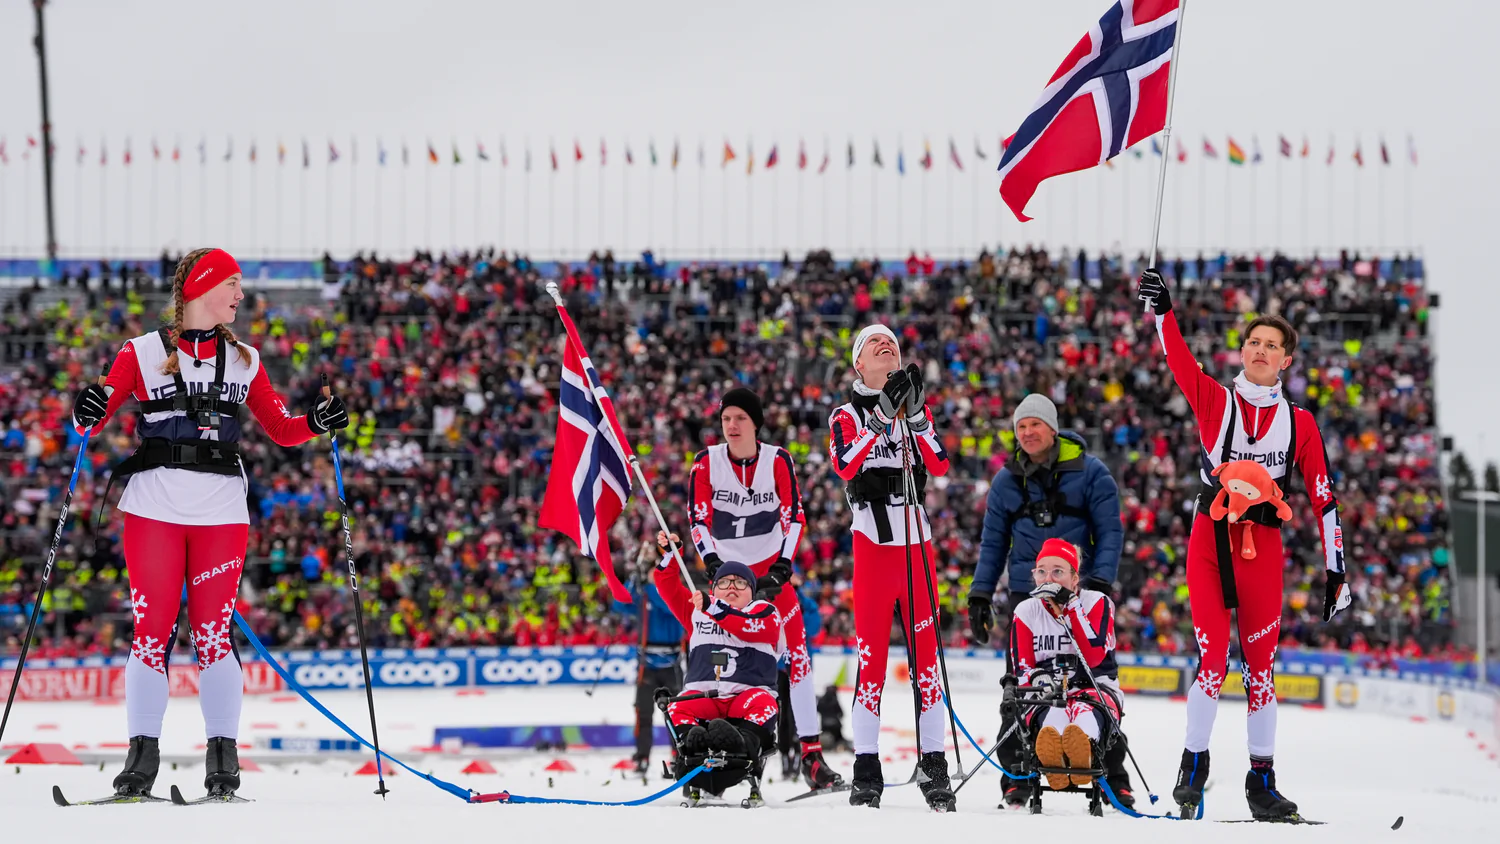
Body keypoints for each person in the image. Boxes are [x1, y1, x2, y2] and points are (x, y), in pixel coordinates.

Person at [68, 248, 348, 799]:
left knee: (212, 635)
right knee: (152, 633)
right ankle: (139, 764)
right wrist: (86, 406)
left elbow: (282, 428)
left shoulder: (246, 359)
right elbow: (92, 419)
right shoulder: (142, 352)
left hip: (221, 512)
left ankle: (223, 765)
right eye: (233, 285)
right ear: (202, 286)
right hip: (153, 510)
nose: (241, 296)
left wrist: (316, 422)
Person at [1138, 268, 1351, 820]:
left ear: (1286, 361)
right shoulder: (1215, 401)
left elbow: (1324, 498)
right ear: (1241, 352)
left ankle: (1262, 782)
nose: (1260, 350)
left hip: (1264, 549)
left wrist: (1336, 571)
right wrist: (1164, 312)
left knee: (1261, 669)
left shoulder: (1300, 424)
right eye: (1253, 342)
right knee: (1212, 660)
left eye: (1271, 345)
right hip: (1210, 543)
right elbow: (1180, 362)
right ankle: (1193, 767)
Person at [966, 393, 1130, 806]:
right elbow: (992, 543)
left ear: (1052, 429)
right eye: (1021, 428)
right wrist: (980, 593)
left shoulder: (1092, 473)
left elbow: (1110, 531)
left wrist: (1100, 584)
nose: (1027, 433)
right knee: (1018, 689)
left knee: (1093, 683)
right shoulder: (1006, 481)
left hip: (1079, 591)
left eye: (1034, 425)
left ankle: (1112, 775)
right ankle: (1017, 777)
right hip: (1028, 596)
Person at [686, 387, 840, 790]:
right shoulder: (705, 463)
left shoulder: (778, 460)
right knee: (721, 656)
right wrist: (712, 562)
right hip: (729, 579)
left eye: (739, 418)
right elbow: (698, 519)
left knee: (798, 659)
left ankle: (811, 757)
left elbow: (793, 517)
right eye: (725, 419)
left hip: (771, 576)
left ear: (755, 422)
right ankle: (706, 747)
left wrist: (784, 565)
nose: (731, 426)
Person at [827, 324, 954, 811]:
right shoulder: (845, 414)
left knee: (928, 665)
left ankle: (934, 762)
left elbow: (939, 465)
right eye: (874, 344)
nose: (887, 346)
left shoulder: (913, 410)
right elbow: (844, 465)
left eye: (893, 344)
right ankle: (866, 767)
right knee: (872, 665)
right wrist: (881, 417)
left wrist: (917, 416)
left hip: (918, 547)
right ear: (859, 364)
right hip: (874, 549)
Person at [651, 539, 783, 783]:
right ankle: (695, 745)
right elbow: (665, 585)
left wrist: (713, 606)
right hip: (705, 697)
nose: (732, 586)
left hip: (747, 696)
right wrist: (672, 554)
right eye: (723, 582)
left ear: (752, 591)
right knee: (677, 706)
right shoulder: (698, 612)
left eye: (741, 582)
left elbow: (749, 628)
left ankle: (740, 744)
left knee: (765, 704)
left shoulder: (764, 611)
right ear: (713, 588)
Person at [1008, 539, 1122, 792]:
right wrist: (1039, 680)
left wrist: (1071, 606)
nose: (1048, 578)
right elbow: (1022, 667)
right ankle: (1054, 760)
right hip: (1047, 693)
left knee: (1082, 713)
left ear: (1074, 578)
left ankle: (1084, 753)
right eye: (1042, 571)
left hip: (1093, 687)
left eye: (1058, 571)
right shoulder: (1026, 610)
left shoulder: (1097, 602)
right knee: (1055, 713)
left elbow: (1094, 656)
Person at [614, 546, 685, 778]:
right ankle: (642, 757)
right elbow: (620, 603)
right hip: (648, 665)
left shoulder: (673, 592)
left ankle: (678, 757)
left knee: (675, 714)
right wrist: (634, 577)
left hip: (671, 664)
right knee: (642, 713)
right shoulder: (645, 593)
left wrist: (650, 585)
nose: (653, 572)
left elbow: (668, 608)